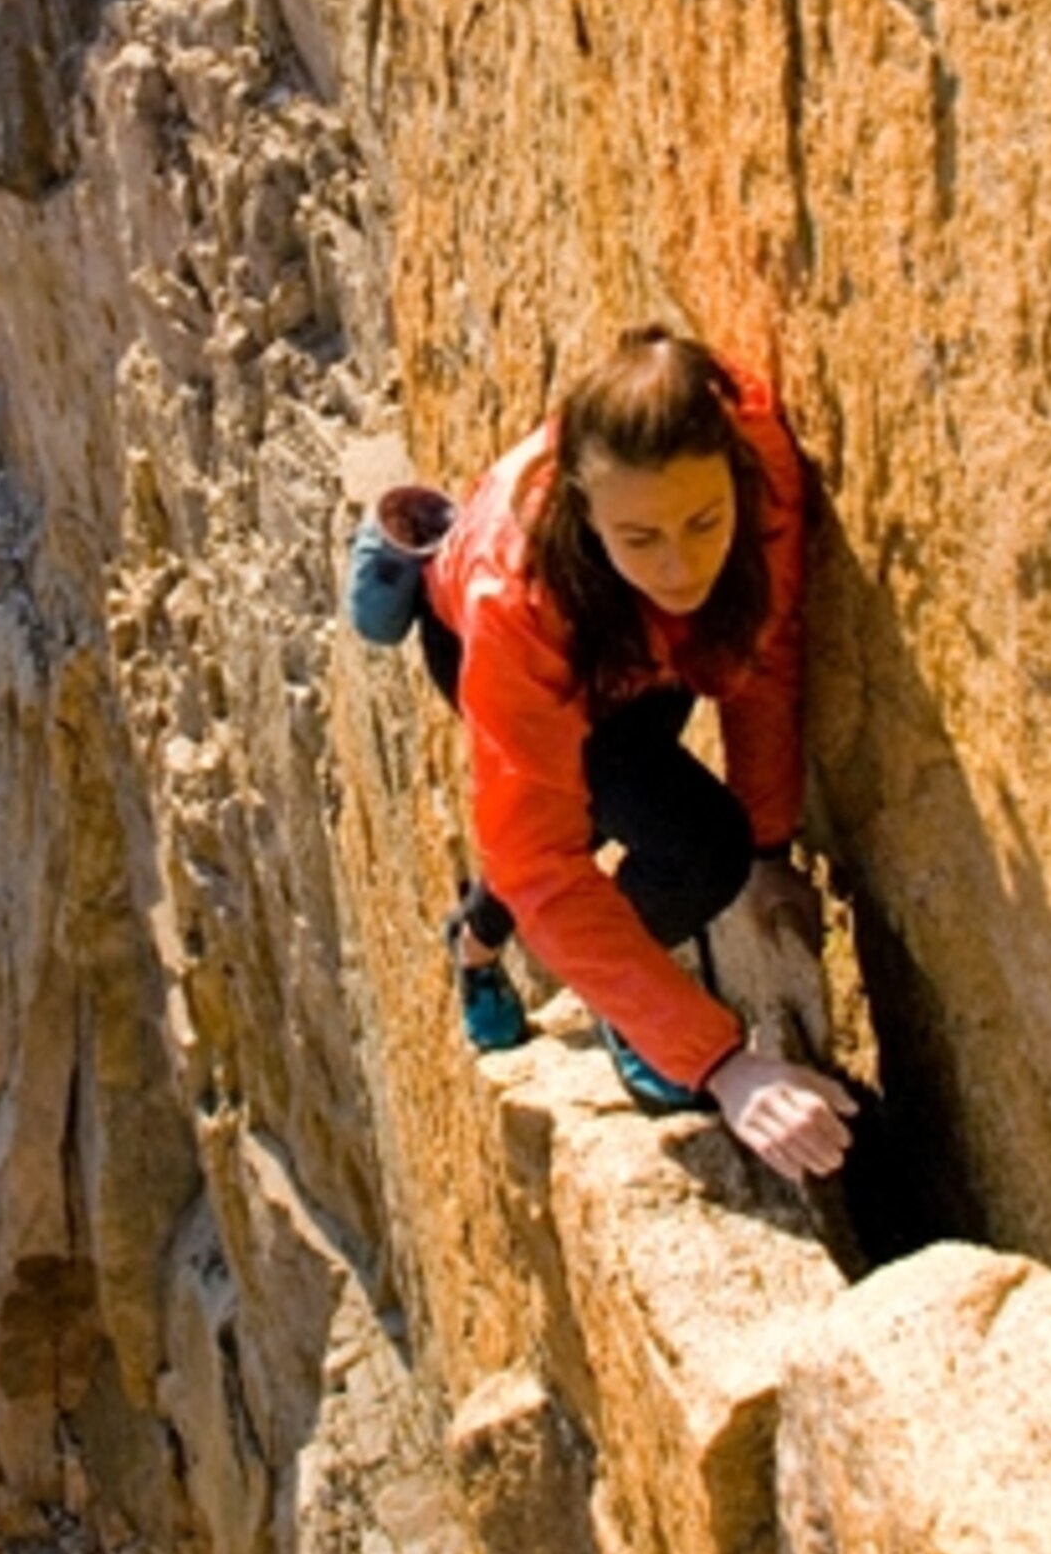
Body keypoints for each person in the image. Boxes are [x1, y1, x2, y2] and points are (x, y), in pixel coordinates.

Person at [354, 324, 855, 1183]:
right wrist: (713, 1057)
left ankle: (478, 938)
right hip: (513, 647)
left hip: (637, 645)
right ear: (585, 513)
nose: (682, 562)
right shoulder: (515, 599)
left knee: (602, 818)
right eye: (642, 536)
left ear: (735, 475)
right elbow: (538, 859)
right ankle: (552, 979)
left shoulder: (755, 464)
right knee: (696, 848)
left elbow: (764, 654)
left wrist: (775, 852)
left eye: (705, 523)